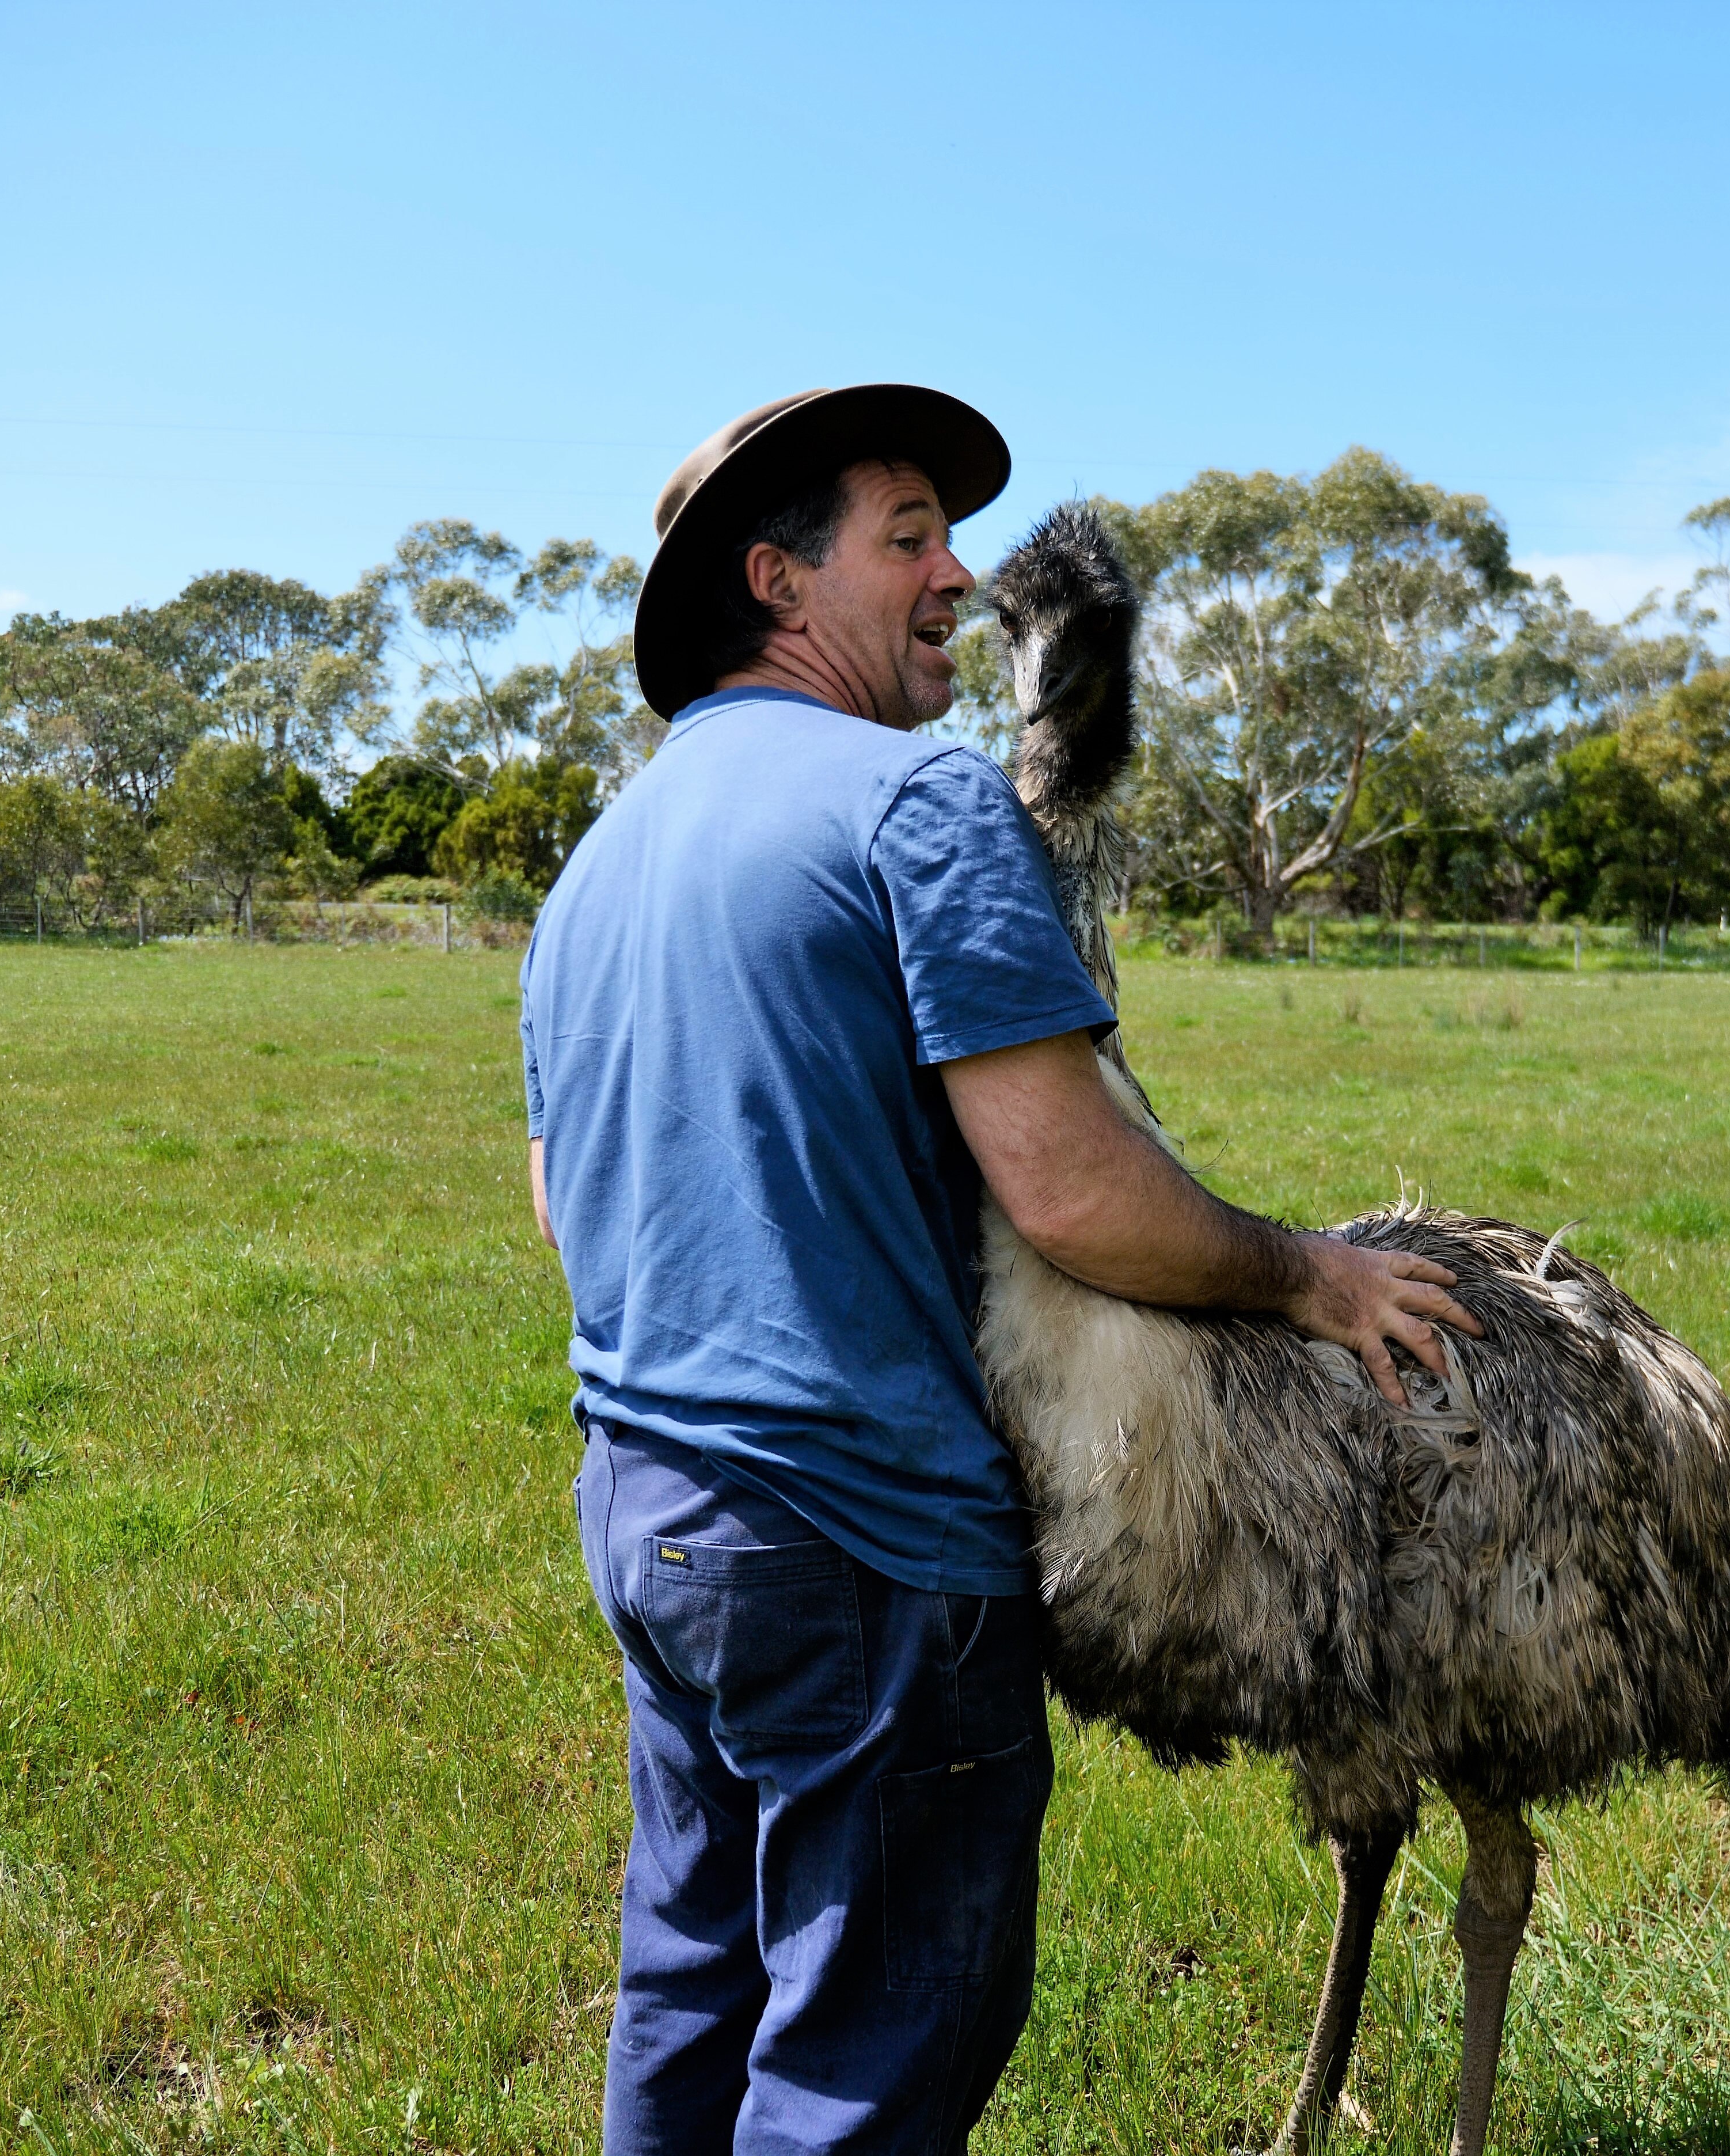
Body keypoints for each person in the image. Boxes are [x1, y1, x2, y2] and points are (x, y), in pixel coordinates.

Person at [519, 385, 1480, 2155]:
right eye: (909, 539)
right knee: (865, 2058)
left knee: (693, 1987)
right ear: (777, 581)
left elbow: (565, 1209)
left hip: (647, 1514)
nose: (958, 576)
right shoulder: (915, 805)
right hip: (862, 1550)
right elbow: (1075, 1190)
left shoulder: (597, 867)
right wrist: (1309, 1279)